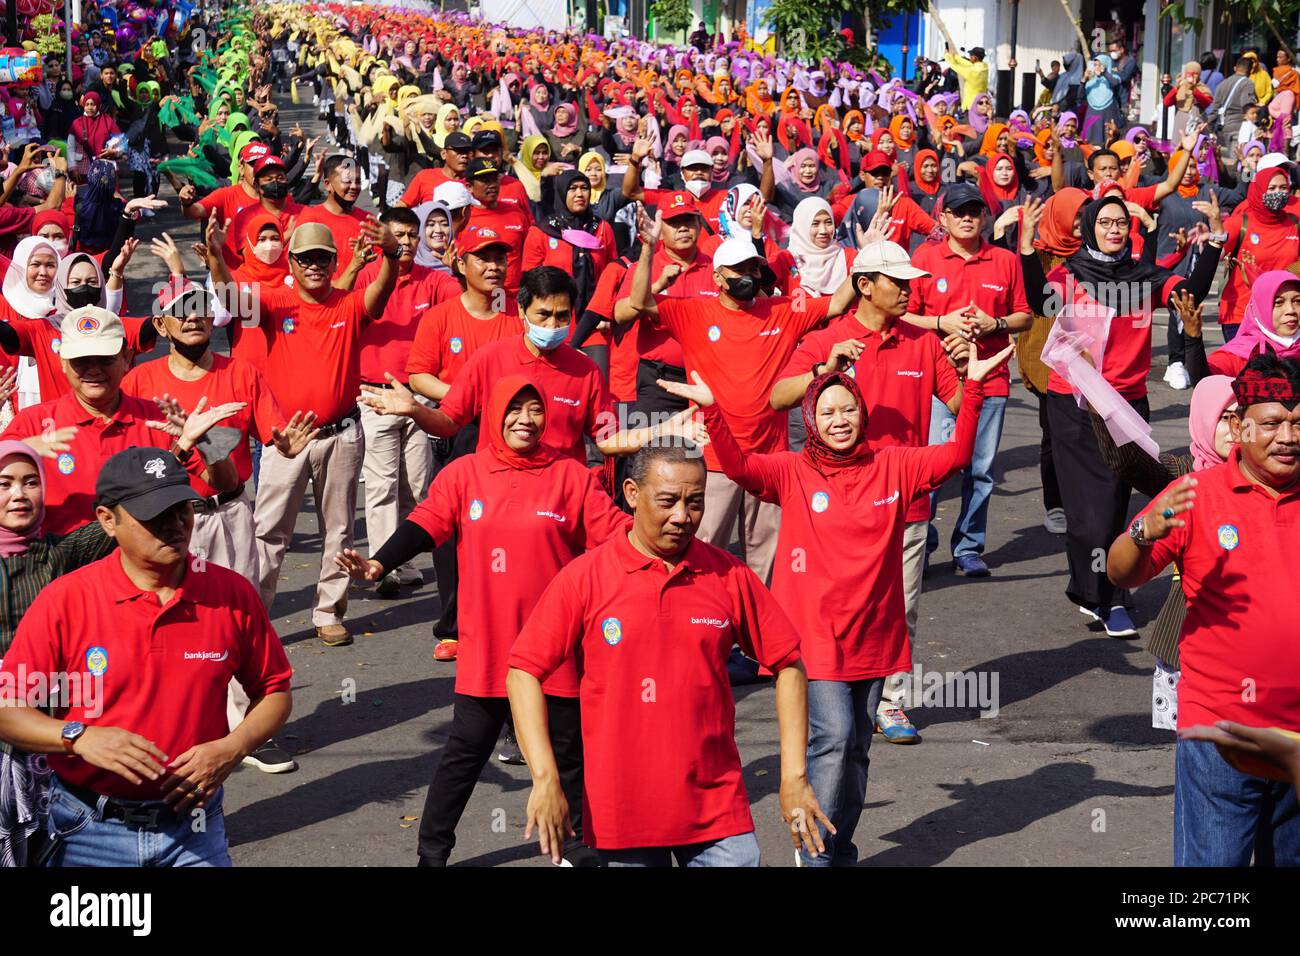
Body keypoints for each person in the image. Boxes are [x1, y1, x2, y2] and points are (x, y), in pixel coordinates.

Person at [663, 330, 1010, 863]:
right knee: (834, 737)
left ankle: (839, 847)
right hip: (813, 641)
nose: (839, 420)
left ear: (861, 413)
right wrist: (715, 415)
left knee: (856, 751)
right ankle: (817, 854)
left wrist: (975, 388)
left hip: (875, 638)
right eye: (827, 413)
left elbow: (959, 454)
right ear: (812, 422)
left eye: (848, 408)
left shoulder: (896, 464)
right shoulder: (793, 471)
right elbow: (739, 468)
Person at [336, 377, 629, 866]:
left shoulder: (572, 476)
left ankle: (573, 850)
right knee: (464, 757)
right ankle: (432, 854)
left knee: (566, 760)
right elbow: (425, 524)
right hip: (490, 649)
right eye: (514, 409)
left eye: (535, 409)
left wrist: (665, 530)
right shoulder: (463, 474)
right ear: (493, 413)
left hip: (555, 651)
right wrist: (378, 565)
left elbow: (618, 537)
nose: (526, 419)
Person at [506, 442, 830, 867]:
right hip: (623, 812)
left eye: (695, 502)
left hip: (717, 807)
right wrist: (545, 778)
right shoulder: (585, 577)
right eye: (668, 501)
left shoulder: (728, 574)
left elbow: (789, 664)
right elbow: (522, 671)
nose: (682, 516)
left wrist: (794, 778)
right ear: (631, 494)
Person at [0, 446, 292, 867]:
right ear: (107, 521)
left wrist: (233, 747)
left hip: (196, 830)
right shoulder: (65, 600)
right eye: (154, 515)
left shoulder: (231, 593)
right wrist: (78, 737)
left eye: (181, 508)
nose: (174, 525)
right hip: (86, 833)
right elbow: (9, 710)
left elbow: (274, 690)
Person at [1106, 354, 1300, 866]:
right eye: (1275, 423)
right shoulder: (1195, 495)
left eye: (1299, 423)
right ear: (1238, 427)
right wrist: (1142, 532)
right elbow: (1121, 573)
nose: (1289, 436)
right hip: (1220, 730)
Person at [771, 241, 963, 743]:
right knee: (832, 606)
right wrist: (824, 369)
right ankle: (831, 692)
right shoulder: (828, 340)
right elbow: (777, 396)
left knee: (901, 606)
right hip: (831, 507)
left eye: (908, 281)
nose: (907, 290)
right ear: (864, 286)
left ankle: (891, 702)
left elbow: (961, 401)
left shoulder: (922, 343)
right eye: (897, 282)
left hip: (903, 501)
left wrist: (972, 369)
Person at [1020, 193, 1223, 638]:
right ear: (1090, 228)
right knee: (1084, 513)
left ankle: (1108, 595)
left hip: (1126, 404)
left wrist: (1213, 243)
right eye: (1105, 222)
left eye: (1120, 223)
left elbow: (1191, 294)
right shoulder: (1069, 275)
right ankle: (1096, 592)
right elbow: (1040, 303)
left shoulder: (1145, 278)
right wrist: (1027, 248)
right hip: (1072, 405)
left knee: (1113, 505)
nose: (1114, 229)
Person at [621, 214, 858, 584]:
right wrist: (649, 250)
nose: (748, 275)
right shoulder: (693, 312)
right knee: (701, 550)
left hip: (769, 458)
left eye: (753, 267)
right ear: (718, 277)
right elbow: (638, 302)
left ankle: (758, 636)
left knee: (767, 557)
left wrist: (867, 257)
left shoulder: (782, 310)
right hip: (713, 460)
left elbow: (837, 304)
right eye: (739, 269)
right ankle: (701, 625)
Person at [204, 215, 403, 648]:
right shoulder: (277, 302)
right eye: (305, 258)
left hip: (342, 434)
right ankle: (254, 615)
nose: (314, 265)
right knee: (270, 531)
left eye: (322, 259)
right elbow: (232, 302)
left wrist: (392, 252)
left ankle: (329, 611)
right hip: (287, 439)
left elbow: (383, 289)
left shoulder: (349, 305)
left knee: (340, 529)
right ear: (291, 263)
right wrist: (218, 257)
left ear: (335, 263)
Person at [1, 306, 238, 536]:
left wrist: (207, 443)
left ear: (126, 358)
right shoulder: (33, 424)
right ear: (63, 362)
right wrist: (25, 450)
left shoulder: (159, 419)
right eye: (81, 361)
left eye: (105, 359)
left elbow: (226, 483)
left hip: (144, 567)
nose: (93, 370)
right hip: (63, 568)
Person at [905, 182, 1031, 578]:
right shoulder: (924, 257)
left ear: (984, 217)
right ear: (943, 217)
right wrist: (942, 323)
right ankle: (921, 542)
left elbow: (1025, 315)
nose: (966, 218)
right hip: (938, 384)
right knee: (934, 468)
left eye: (974, 211)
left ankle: (969, 546)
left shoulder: (1005, 260)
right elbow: (903, 315)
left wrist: (994, 322)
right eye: (958, 211)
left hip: (991, 380)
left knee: (980, 470)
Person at [0, 441, 116, 866]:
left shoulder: (58, 554)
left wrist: (177, 450)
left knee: (51, 833)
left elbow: (120, 518)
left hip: (49, 718)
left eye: (31, 482)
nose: (19, 494)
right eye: (5, 483)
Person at [1208, 270, 1300, 377]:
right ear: (1260, 308)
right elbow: (1204, 378)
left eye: (1297, 301)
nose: (1290, 310)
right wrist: (1194, 341)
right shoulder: (1240, 354)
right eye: (1278, 302)